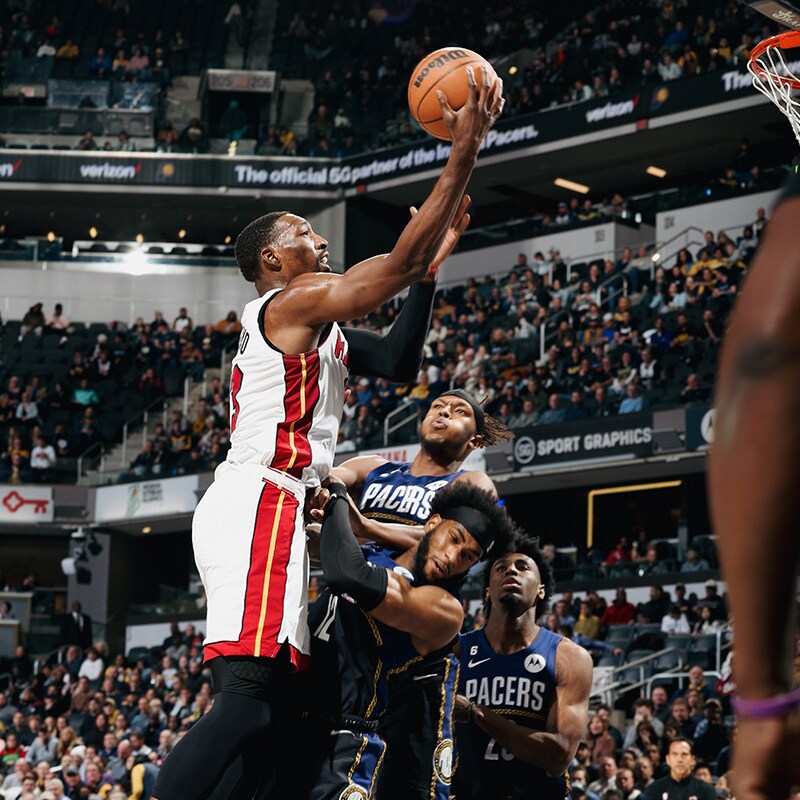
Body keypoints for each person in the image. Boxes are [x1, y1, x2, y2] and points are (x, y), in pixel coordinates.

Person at [151, 66, 504, 800]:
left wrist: (427, 276)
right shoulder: (288, 302)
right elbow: (393, 265)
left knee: (272, 710)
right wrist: (463, 153)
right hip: (261, 499)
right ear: (273, 260)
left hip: (278, 506)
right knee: (246, 701)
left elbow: (399, 359)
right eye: (305, 235)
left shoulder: (320, 328)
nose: (319, 241)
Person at [272, 481, 514, 799]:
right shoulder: (375, 554)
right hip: (287, 716)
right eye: (454, 539)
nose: (453, 556)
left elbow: (348, 575)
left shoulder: (445, 608)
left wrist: (338, 499)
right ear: (432, 523)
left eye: (469, 556)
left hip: (342, 737)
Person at [328, 388, 511, 799]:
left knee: (410, 786)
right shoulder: (376, 467)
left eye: (459, 411)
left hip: (414, 648)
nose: (444, 412)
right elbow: (327, 479)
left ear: (474, 441)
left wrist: (366, 528)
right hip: (358, 626)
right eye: (437, 406)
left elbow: (454, 540)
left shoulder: (469, 483)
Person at [451, 533, 593, 799]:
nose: (511, 571)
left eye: (523, 566)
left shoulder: (569, 657)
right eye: (500, 567)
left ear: (541, 590)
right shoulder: (456, 652)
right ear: (487, 591)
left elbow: (559, 756)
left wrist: (476, 713)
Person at [642, 738, 715, 799]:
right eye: (675, 754)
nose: (679, 759)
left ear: (693, 760)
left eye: (684, 754)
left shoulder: (706, 791)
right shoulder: (654, 789)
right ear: (668, 759)